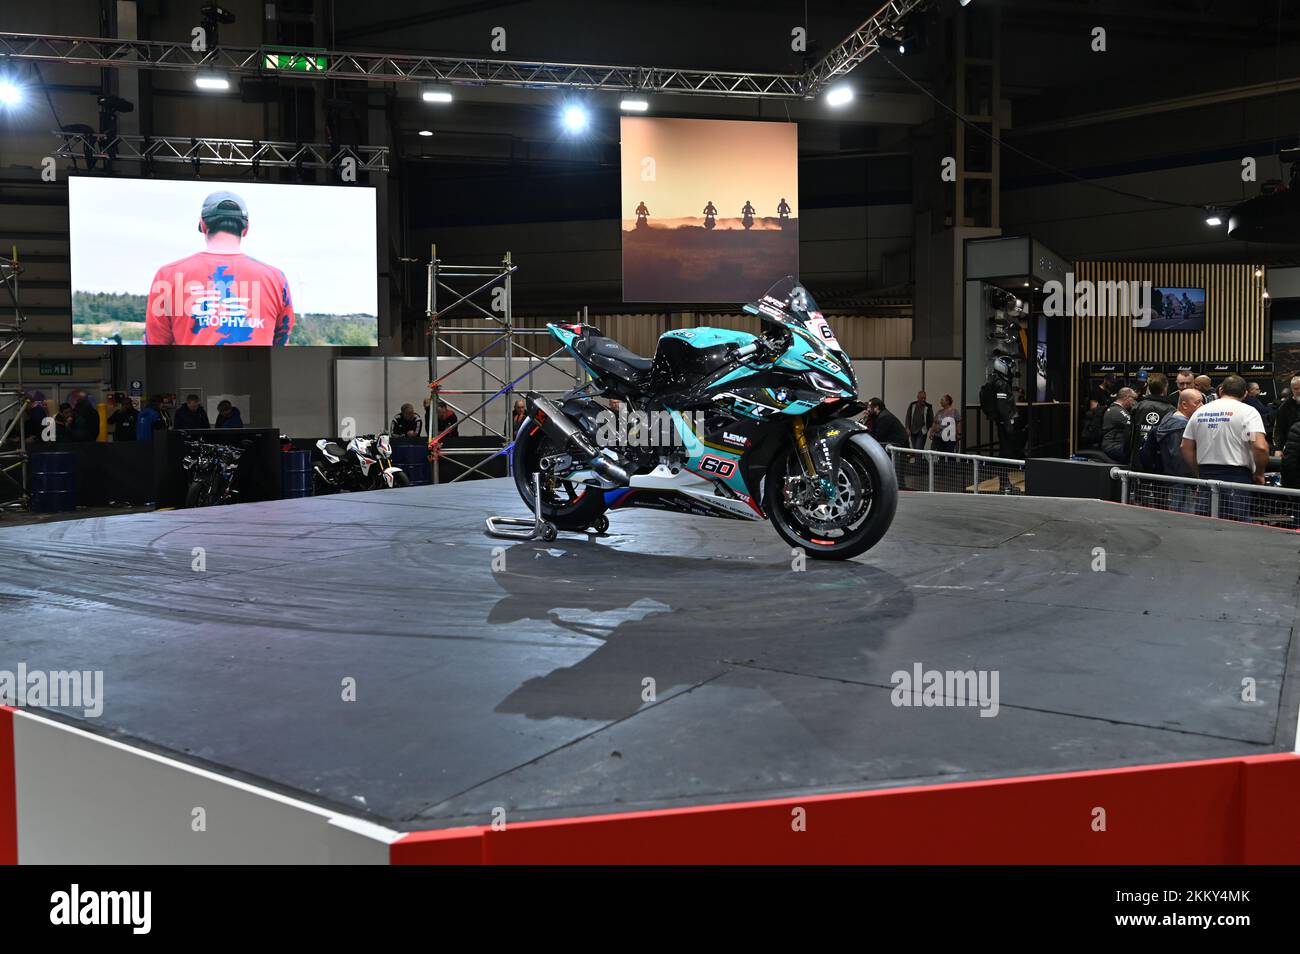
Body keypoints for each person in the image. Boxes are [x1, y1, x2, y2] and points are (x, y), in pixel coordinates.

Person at [145, 190, 295, 346]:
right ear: (246, 229)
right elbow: (281, 344)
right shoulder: (276, 279)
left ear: (203, 225)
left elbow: (156, 348)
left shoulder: (168, 276)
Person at [1180, 374, 1268, 521]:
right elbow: (1260, 447)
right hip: (1236, 477)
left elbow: (1185, 446)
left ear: (1220, 391)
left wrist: (1198, 472)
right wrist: (1259, 473)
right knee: (1236, 527)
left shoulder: (1200, 412)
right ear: (1245, 393)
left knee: (1204, 524)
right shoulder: (1248, 412)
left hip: (1206, 476)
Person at [1128, 375, 1171, 468]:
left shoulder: (1137, 406)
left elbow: (1129, 434)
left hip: (1137, 458)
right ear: (1165, 388)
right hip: (1160, 461)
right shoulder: (1171, 410)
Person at [1100, 388, 1136, 463]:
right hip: (1113, 445)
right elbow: (1134, 424)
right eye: (1133, 399)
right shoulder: (1116, 411)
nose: (1135, 402)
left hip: (1119, 444)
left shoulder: (1120, 410)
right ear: (1127, 397)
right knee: (1137, 454)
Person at [1273, 375, 1300, 448]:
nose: (1299, 391)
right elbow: (1279, 430)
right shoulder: (1284, 407)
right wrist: (1278, 448)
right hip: (1292, 445)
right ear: (1292, 389)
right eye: (1296, 388)